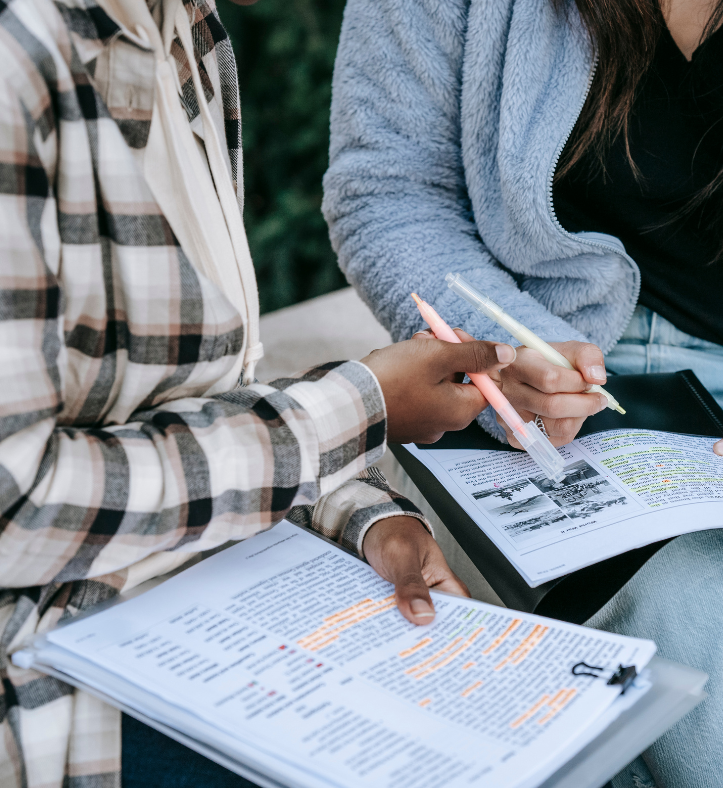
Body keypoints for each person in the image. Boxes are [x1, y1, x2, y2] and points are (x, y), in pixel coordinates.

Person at [323, 0, 723, 784]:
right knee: (683, 622)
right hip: (522, 401)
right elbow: (387, 188)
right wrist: (509, 347)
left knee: (667, 613)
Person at [0, 0, 521, 784]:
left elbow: (195, 403)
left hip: (220, 611)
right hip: (62, 679)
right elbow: (17, 505)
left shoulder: (189, 30)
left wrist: (360, 513)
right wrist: (360, 411)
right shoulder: (17, 59)